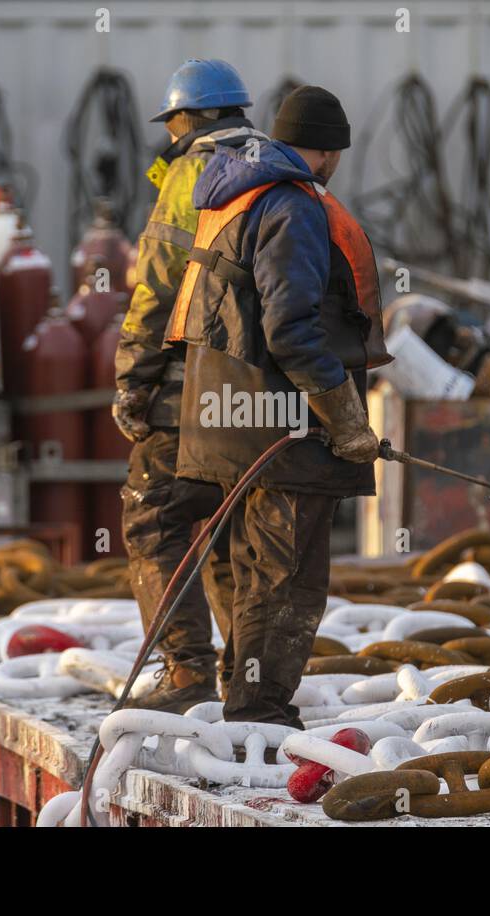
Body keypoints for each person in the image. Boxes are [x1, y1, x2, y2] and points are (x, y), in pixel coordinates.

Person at [165, 86, 391, 726]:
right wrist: (343, 416)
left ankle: (242, 695)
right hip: (279, 424)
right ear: (329, 150)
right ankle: (257, 713)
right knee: (283, 577)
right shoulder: (292, 206)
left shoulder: (232, 192)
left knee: (242, 565)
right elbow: (291, 329)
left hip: (220, 418)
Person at [113, 60, 264, 712]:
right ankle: (249, 685)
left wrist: (132, 378)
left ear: (191, 117)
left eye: (172, 118)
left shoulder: (190, 174)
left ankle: (187, 675)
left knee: (152, 518)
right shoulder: (280, 169)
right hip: (269, 393)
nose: (169, 131)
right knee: (239, 530)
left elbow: (157, 283)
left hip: (191, 387)